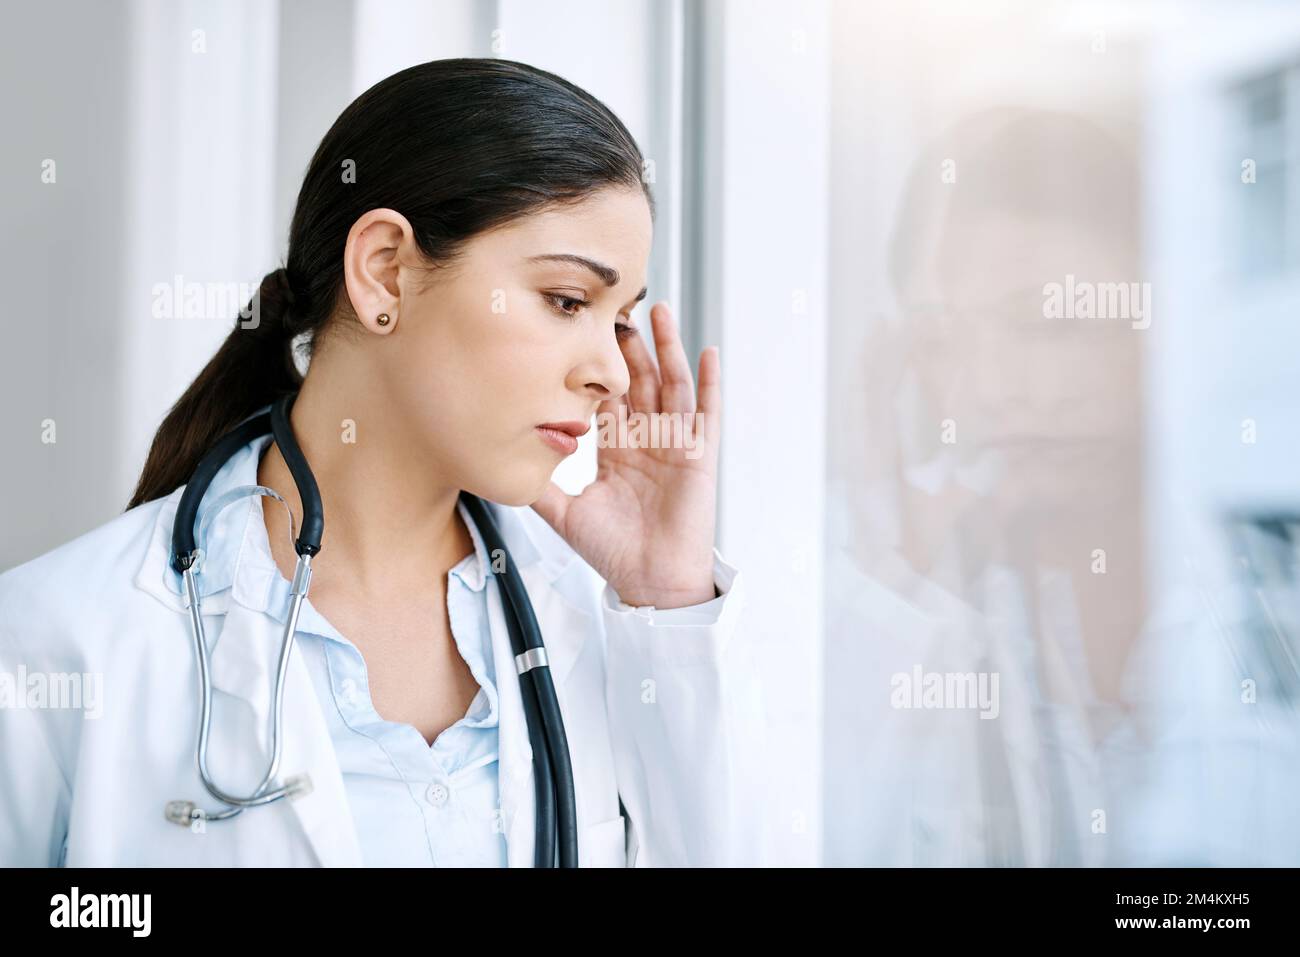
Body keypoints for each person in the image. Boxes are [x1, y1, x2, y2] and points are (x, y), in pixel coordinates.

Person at [0, 58, 747, 867]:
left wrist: (668, 597)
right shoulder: (57, 640)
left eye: (620, 319)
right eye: (568, 301)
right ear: (385, 268)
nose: (609, 370)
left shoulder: (598, 625)